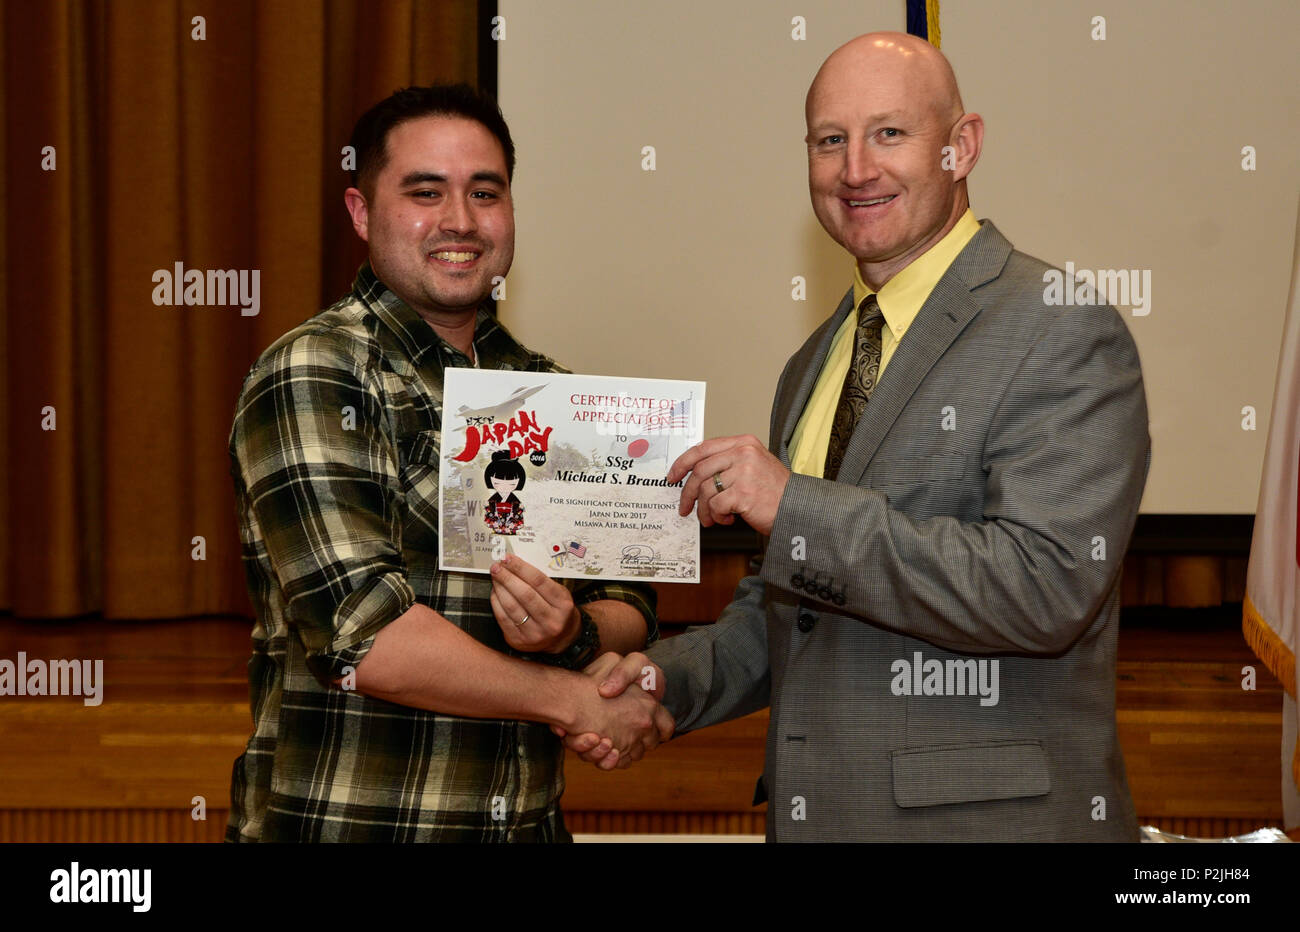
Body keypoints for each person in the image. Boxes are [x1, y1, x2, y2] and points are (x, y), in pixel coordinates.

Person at [567, 33, 1151, 842]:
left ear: (962, 145)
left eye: (889, 133)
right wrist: (663, 682)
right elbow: (790, 607)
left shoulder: (1059, 325)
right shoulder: (816, 359)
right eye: (829, 141)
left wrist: (792, 505)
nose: (855, 171)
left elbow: (1045, 588)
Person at [226, 83, 672, 843]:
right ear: (362, 213)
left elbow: (632, 597)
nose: (461, 221)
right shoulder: (316, 371)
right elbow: (364, 636)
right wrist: (573, 698)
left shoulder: (557, 394)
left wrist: (571, 634)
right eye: (425, 192)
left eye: (485, 193)